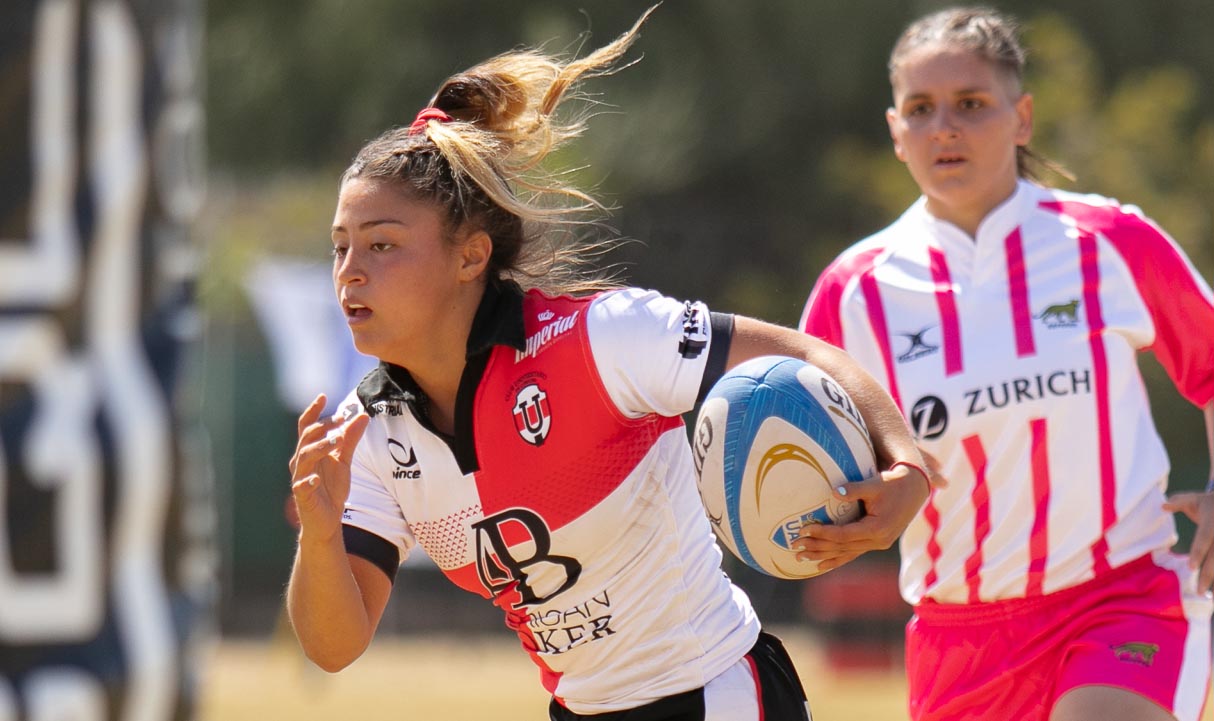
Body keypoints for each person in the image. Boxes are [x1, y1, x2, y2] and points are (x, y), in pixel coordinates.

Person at [285, 8, 929, 721]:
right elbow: (333, 645)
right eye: (340, 246)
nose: (349, 273)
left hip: (716, 694)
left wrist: (907, 467)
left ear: (470, 255)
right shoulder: (366, 432)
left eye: (381, 245)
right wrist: (318, 532)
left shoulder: (597, 341)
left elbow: (810, 353)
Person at [797, 7, 1214, 721]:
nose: (945, 127)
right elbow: (799, 440)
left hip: (1120, 599)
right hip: (958, 636)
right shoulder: (854, 290)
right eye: (921, 109)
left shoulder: (1110, 242)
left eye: (971, 104)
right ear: (896, 132)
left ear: (1021, 118)